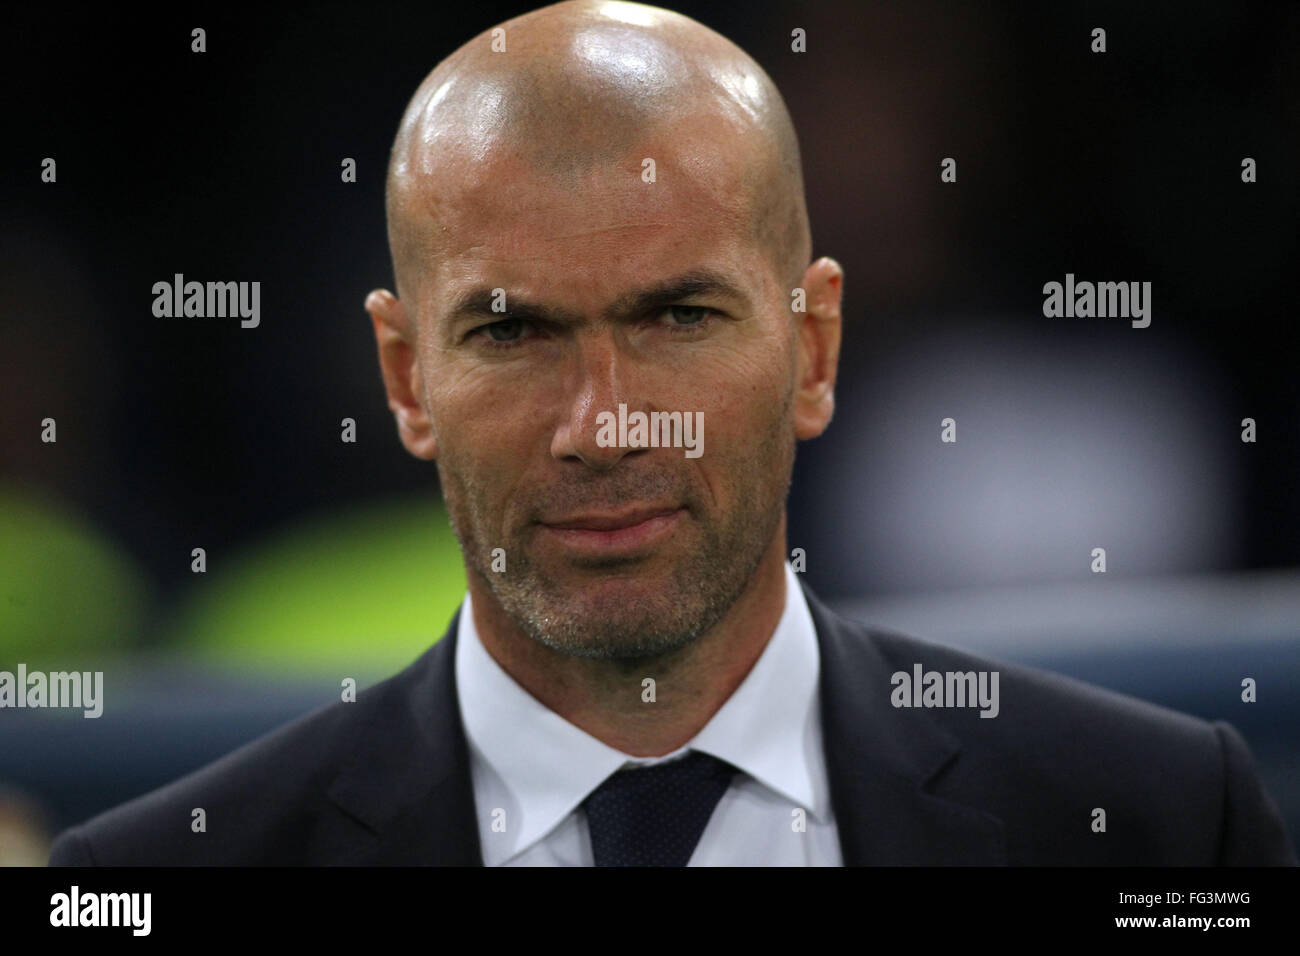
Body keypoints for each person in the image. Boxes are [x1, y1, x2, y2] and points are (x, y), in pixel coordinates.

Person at [49, 0, 1294, 866]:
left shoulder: (1158, 822)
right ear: (406, 376)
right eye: (512, 332)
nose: (603, 423)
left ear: (813, 347)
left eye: (679, 316)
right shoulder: (152, 879)